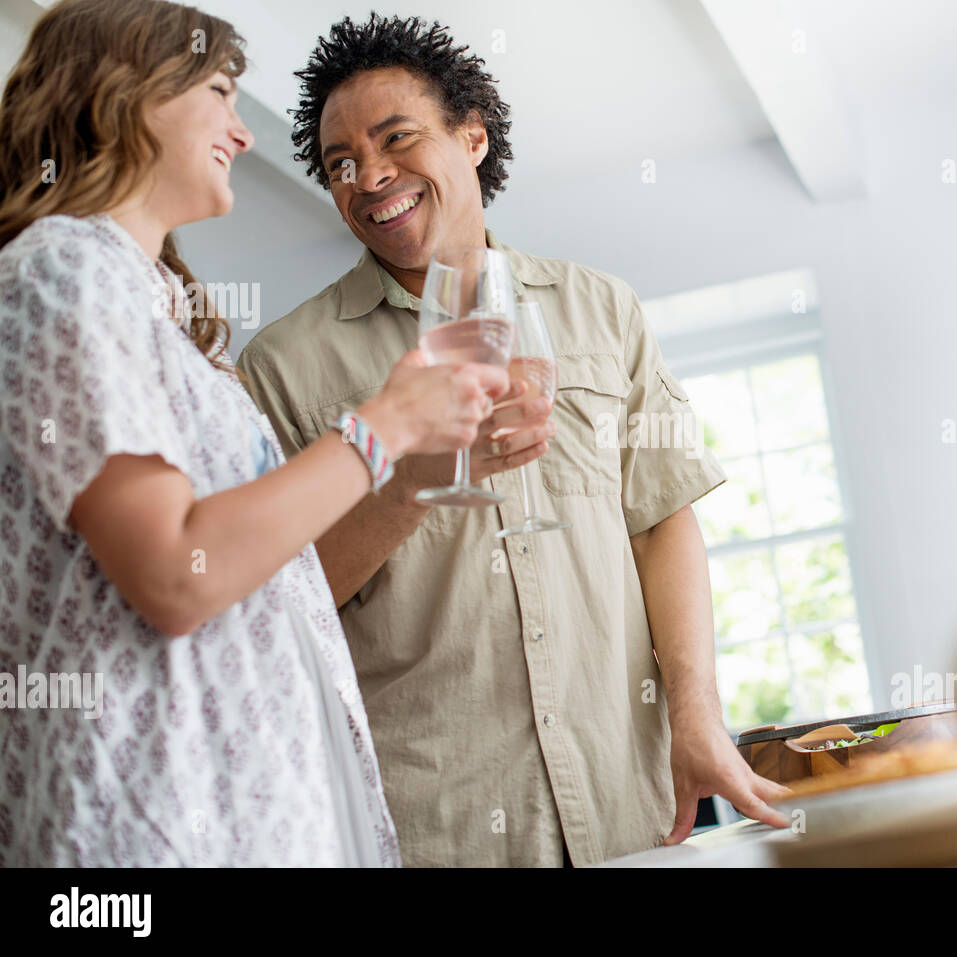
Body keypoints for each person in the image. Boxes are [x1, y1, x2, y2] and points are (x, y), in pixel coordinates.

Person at [237, 12, 791, 867]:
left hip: (626, 805)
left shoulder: (601, 308)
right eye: (341, 164)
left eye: (396, 140)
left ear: (472, 136)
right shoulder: (282, 365)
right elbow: (284, 601)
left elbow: (661, 518)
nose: (369, 176)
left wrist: (696, 717)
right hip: (434, 823)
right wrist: (414, 479)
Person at [0, 0, 509, 866]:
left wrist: (412, 454)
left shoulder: (152, 304)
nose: (242, 133)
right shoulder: (61, 270)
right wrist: (382, 426)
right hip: (150, 830)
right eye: (223, 93)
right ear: (128, 92)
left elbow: (245, 562)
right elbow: (173, 573)